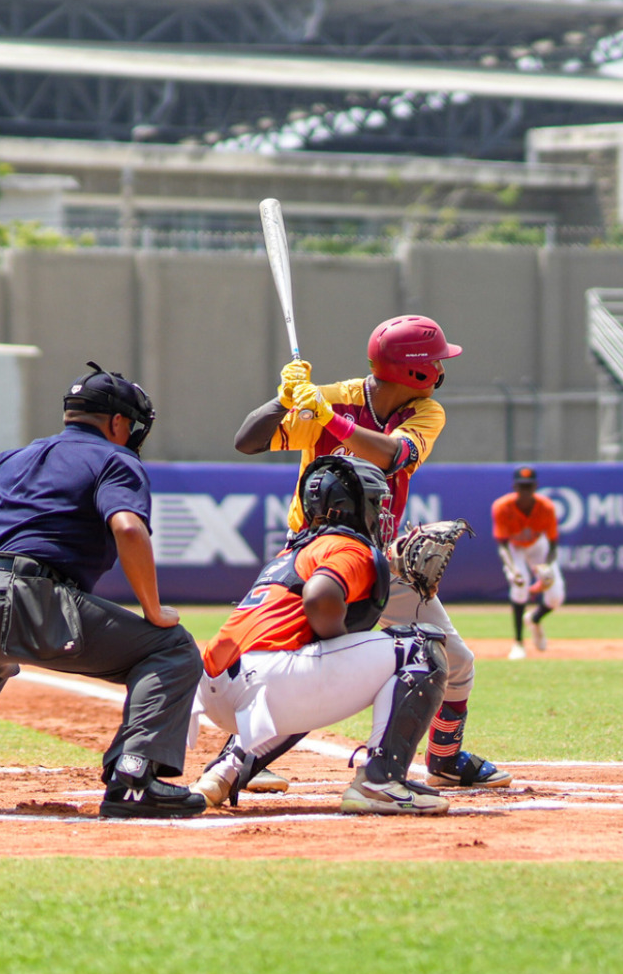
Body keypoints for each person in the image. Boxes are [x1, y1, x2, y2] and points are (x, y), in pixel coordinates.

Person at [0, 363, 206, 820]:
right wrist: (152, 608)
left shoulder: (14, 457)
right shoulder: (115, 459)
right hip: (27, 594)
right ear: (117, 423)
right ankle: (134, 779)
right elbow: (128, 528)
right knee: (173, 648)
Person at [232, 314, 511, 790]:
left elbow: (395, 456)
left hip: (380, 557)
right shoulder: (334, 397)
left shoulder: (424, 412)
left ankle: (444, 758)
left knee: (456, 661)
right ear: (417, 372)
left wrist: (328, 420)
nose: (442, 371)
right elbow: (247, 441)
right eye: (437, 362)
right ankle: (240, 759)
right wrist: (281, 401)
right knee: (290, 656)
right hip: (314, 556)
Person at [191, 455, 450, 815]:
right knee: (422, 648)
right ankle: (381, 781)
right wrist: (340, 645)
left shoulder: (294, 550)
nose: (379, 513)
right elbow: (320, 595)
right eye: (374, 503)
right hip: (264, 678)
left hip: (217, 686)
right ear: (351, 507)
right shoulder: (349, 547)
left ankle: (224, 771)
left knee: (309, 671)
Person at [492, 466, 564, 659]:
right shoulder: (502, 507)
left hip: (537, 546)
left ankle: (534, 618)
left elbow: (553, 544)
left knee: (556, 596)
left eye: (529, 486)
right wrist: (512, 569)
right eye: (522, 486)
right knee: (519, 584)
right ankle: (518, 643)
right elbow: (503, 545)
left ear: (535, 487)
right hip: (514, 548)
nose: (525, 491)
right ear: (515, 486)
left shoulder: (546, 507)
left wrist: (547, 567)